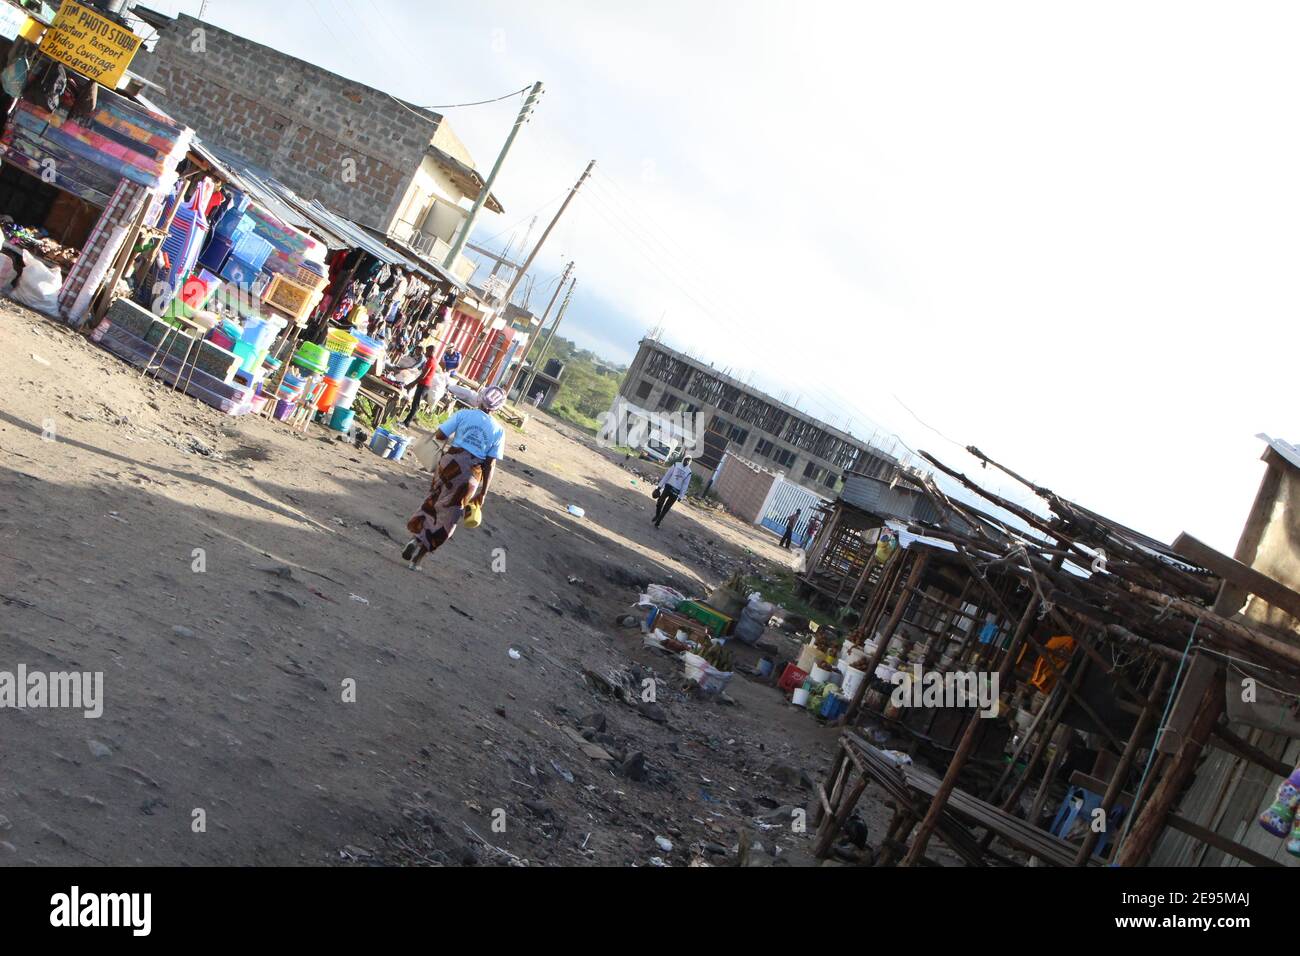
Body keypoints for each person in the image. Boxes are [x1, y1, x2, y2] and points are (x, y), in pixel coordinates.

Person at [401, 385, 508, 570]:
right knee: (449, 516)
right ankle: (417, 559)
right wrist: (483, 492)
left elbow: (441, 435)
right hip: (470, 476)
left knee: (433, 501)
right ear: (498, 408)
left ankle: (415, 539)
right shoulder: (498, 430)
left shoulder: (464, 414)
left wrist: (462, 438)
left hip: (448, 465)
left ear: (480, 399)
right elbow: (490, 464)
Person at [403, 347, 460, 427]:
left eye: (427, 351)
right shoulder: (432, 361)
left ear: (431, 351)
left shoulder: (431, 361)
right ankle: (409, 420)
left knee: (416, 404)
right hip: (424, 384)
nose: (425, 352)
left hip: (424, 384)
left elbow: (423, 375)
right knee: (415, 403)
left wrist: (412, 384)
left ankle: (406, 423)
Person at [654, 456, 693, 528]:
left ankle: (658, 521)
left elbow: (685, 485)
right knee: (660, 502)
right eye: (686, 460)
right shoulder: (676, 464)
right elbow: (667, 475)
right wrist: (659, 486)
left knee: (667, 507)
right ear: (683, 459)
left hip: (676, 491)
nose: (686, 462)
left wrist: (681, 496)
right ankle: (657, 515)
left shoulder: (689, 472)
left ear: (690, 463)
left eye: (688, 461)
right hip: (668, 486)